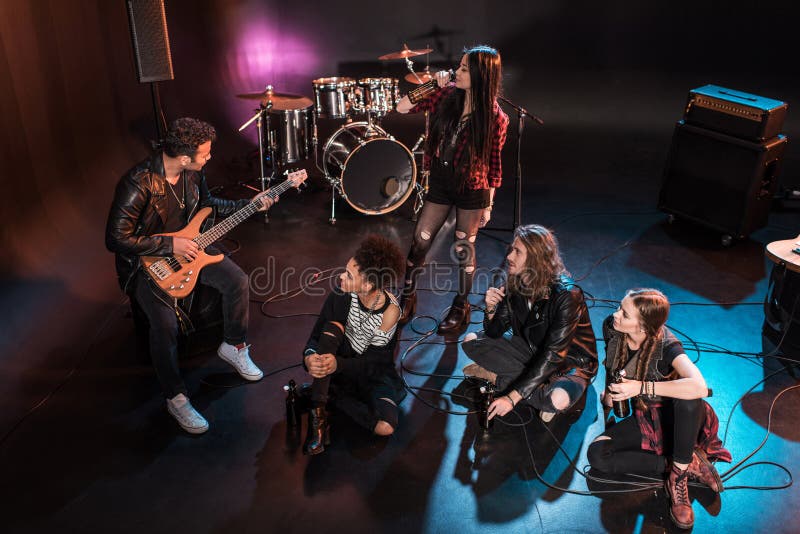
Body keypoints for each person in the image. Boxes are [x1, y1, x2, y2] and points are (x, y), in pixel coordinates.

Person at [105, 117, 274, 434]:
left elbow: (208, 206)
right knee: (165, 324)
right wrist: (170, 244)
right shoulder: (137, 183)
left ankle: (233, 346)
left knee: (237, 281)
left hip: (193, 249)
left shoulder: (193, 175)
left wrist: (248, 205)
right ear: (184, 157)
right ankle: (176, 396)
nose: (210, 157)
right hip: (146, 265)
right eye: (205, 153)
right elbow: (115, 239)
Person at [586, 288, 731, 530]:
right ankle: (682, 464)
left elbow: (699, 386)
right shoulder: (612, 327)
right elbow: (612, 366)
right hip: (646, 420)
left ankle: (678, 476)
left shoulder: (667, 345)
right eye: (620, 308)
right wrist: (610, 398)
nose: (616, 314)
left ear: (643, 327)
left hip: (679, 420)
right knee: (597, 454)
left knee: (689, 397)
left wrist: (641, 387)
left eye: (624, 313)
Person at [395, 45, 509, 335]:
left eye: (463, 69)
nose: (456, 72)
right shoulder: (444, 96)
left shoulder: (496, 118)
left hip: (473, 190)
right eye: (458, 66)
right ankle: (407, 297)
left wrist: (489, 205)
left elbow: (494, 166)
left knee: (462, 249)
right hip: (443, 183)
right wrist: (432, 83)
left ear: (482, 76)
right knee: (420, 240)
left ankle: (461, 305)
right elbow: (402, 107)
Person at [461, 224, 598, 422]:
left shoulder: (567, 295)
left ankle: (504, 381)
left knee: (559, 399)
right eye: (511, 249)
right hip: (532, 351)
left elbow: (553, 354)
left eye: (517, 251)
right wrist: (490, 308)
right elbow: (493, 332)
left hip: (569, 363)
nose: (509, 257)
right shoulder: (515, 283)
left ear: (535, 259)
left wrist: (511, 397)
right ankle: (530, 389)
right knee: (470, 340)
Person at [302, 235, 406, 455]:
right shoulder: (341, 295)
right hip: (340, 361)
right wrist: (309, 357)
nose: (341, 276)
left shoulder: (391, 312)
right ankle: (318, 416)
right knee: (332, 329)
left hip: (371, 373)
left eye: (349, 275)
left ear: (367, 284)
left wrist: (337, 365)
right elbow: (315, 338)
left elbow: (377, 363)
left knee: (385, 427)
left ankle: (332, 396)